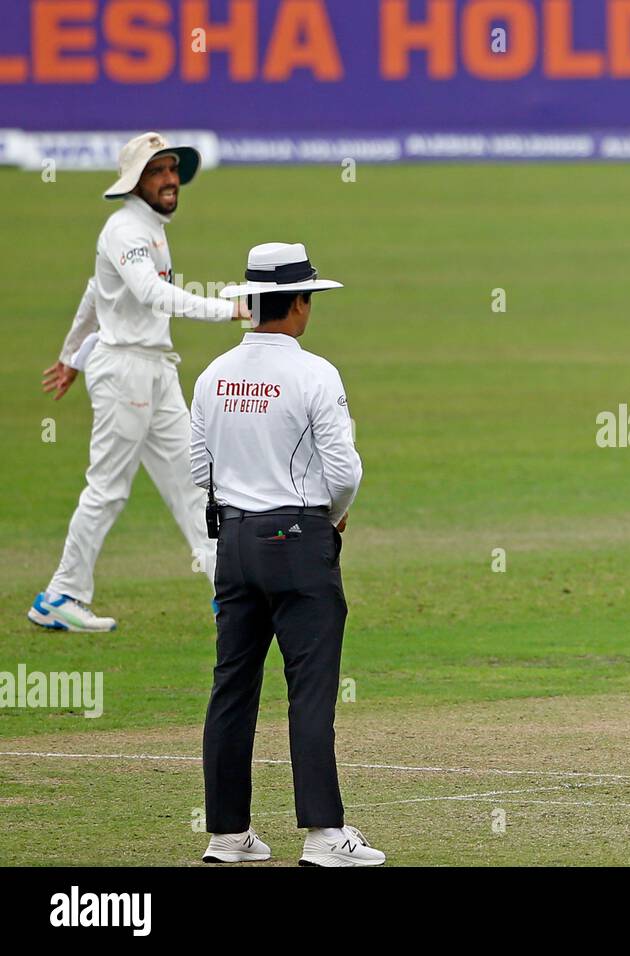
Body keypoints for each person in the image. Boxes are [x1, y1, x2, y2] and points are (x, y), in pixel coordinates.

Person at [191, 241, 384, 866]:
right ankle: (326, 835)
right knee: (310, 691)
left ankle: (227, 834)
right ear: (299, 305)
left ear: (249, 304)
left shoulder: (213, 375)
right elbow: (345, 471)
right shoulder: (314, 373)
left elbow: (200, 469)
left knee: (231, 688)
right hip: (298, 542)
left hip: (235, 544)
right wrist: (329, 517)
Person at [30, 132, 248, 633]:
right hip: (126, 369)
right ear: (135, 181)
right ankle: (62, 594)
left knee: (197, 484)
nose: (170, 180)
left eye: (172, 170)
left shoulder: (150, 227)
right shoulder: (125, 229)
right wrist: (228, 310)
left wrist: (69, 357)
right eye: (158, 172)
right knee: (108, 488)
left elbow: (93, 291)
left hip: (155, 369)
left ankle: (228, 595)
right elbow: (149, 294)